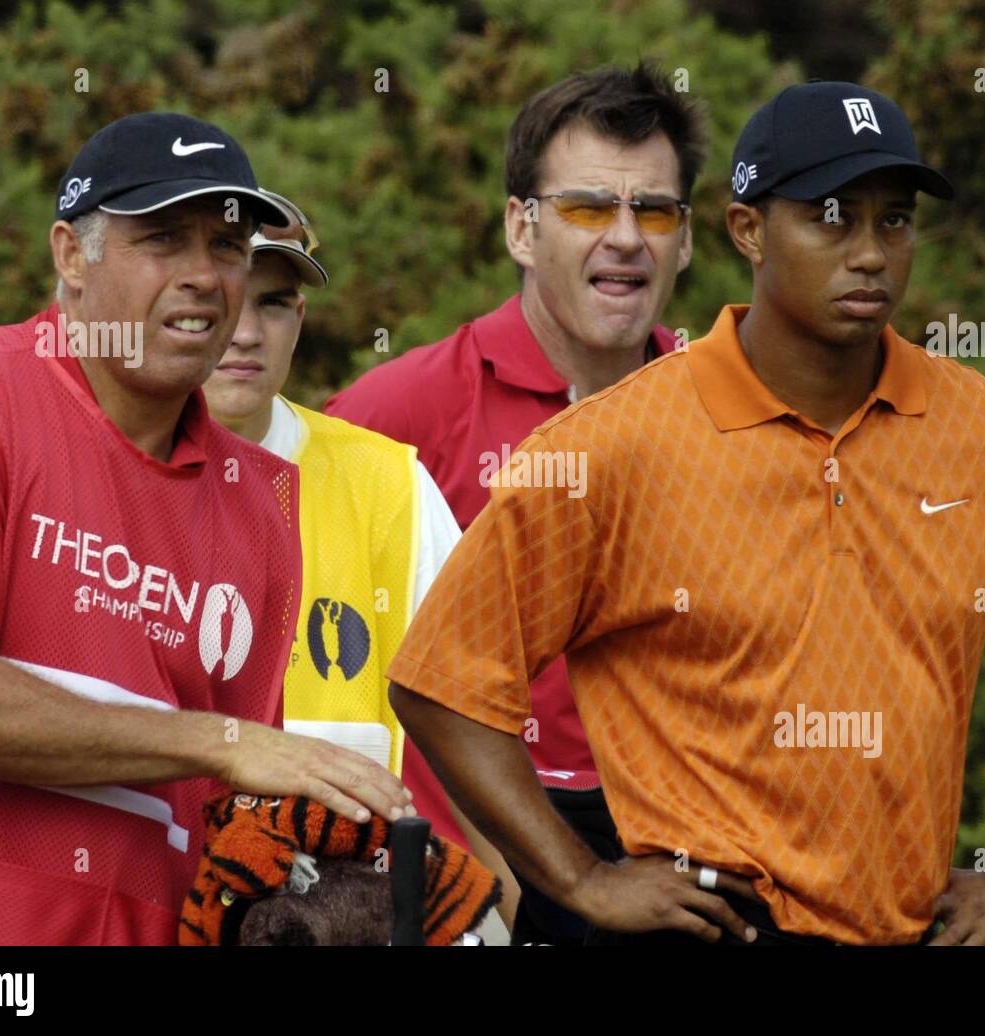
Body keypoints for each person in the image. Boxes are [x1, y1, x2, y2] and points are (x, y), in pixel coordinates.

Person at [384, 82, 985, 946]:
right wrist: (580, 881)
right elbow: (440, 683)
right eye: (832, 217)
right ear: (749, 230)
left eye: (894, 220)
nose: (871, 252)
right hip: (704, 924)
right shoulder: (607, 450)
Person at [0, 112, 411, 945]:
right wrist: (221, 742)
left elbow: (222, 805)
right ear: (70, 255)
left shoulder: (262, 500)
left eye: (228, 247)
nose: (205, 275)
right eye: (164, 240)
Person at [326, 62, 706, 940]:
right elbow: (323, 665)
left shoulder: (730, 412)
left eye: (653, 212)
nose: (625, 238)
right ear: (520, 229)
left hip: (686, 853)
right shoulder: (396, 413)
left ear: (685, 240)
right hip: (471, 852)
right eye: (585, 209)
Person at [199, 192, 510, 940]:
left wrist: (503, 897)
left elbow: (472, 713)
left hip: (360, 909)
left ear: (300, 320)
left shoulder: (386, 481)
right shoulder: (97, 470)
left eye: (272, 303)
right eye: (226, 298)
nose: (246, 331)